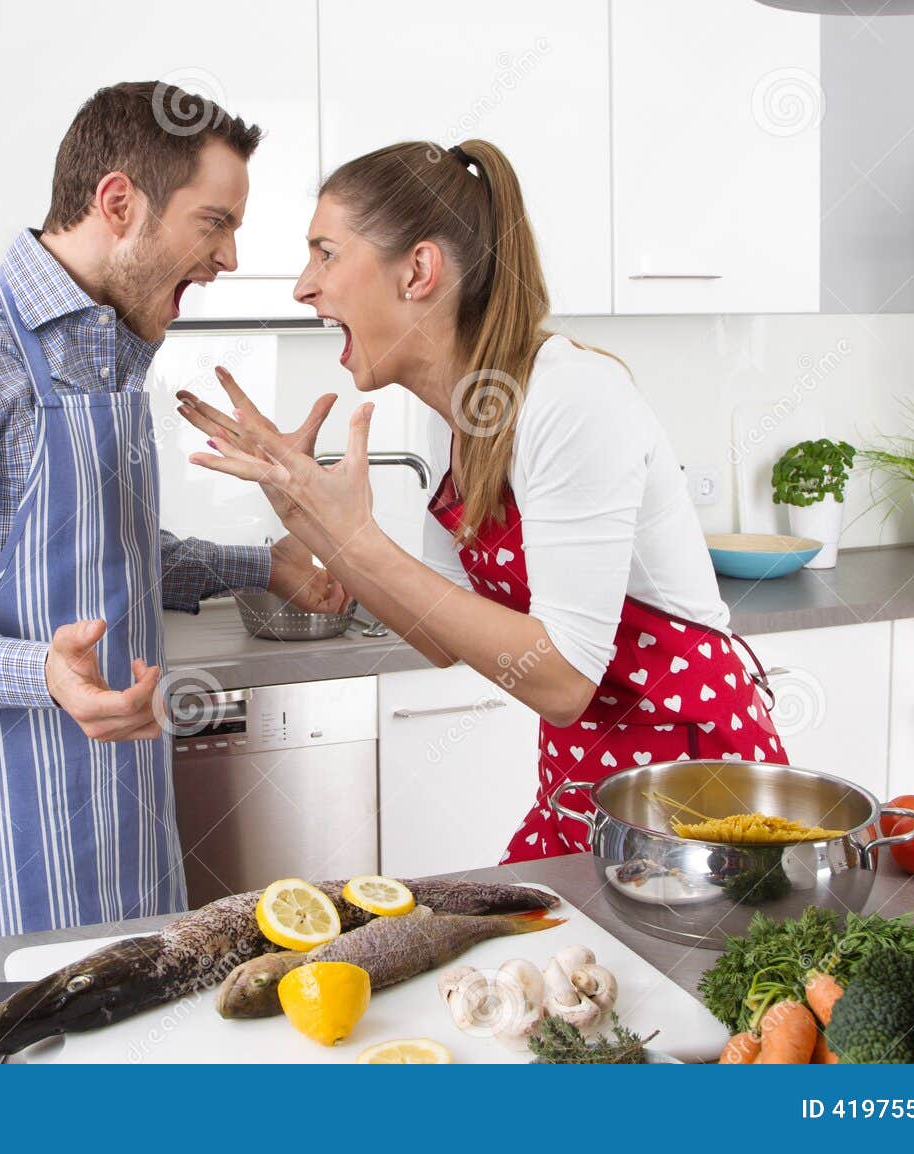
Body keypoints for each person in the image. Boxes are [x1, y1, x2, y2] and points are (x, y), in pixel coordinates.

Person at [0, 82, 345, 946]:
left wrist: (264, 565)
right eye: (213, 223)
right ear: (118, 203)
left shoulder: (113, 348)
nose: (229, 258)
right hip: (8, 835)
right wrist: (42, 674)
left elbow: (110, 557)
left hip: (128, 820)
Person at [178, 139, 789, 864]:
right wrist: (310, 515)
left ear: (419, 271)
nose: (303, 287)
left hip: (694, 791)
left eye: (326, 253)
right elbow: (443, 640)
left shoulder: (570, 398)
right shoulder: (459, 418)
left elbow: (562, 681)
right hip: (586, 786)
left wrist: (359, 537)